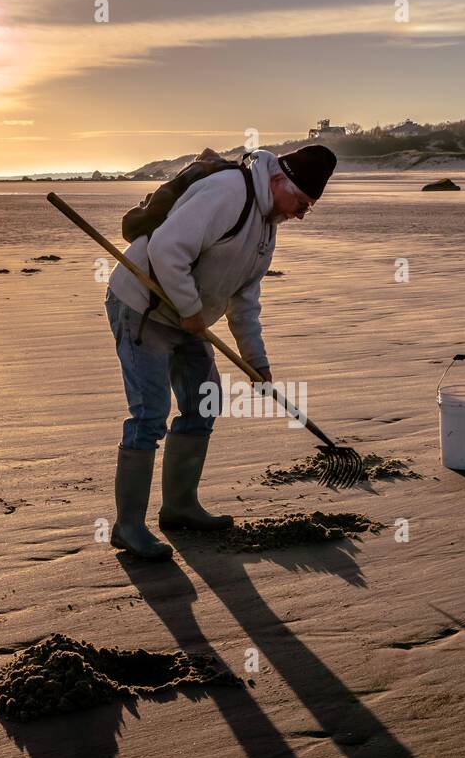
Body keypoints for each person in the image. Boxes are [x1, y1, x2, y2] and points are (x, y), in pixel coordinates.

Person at [105, 144, 337, 559]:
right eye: (301, 204)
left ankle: (179, 508)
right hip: (143, 306)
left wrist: (255, 359)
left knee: (203, 404)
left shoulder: (268, 224)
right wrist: (191, 311)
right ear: (279, 180)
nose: (301, 214)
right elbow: (166, 249)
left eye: (308, 208)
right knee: (150, 414)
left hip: (187, 317)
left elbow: (244, 298)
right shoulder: (229, 191)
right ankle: (128, 527)